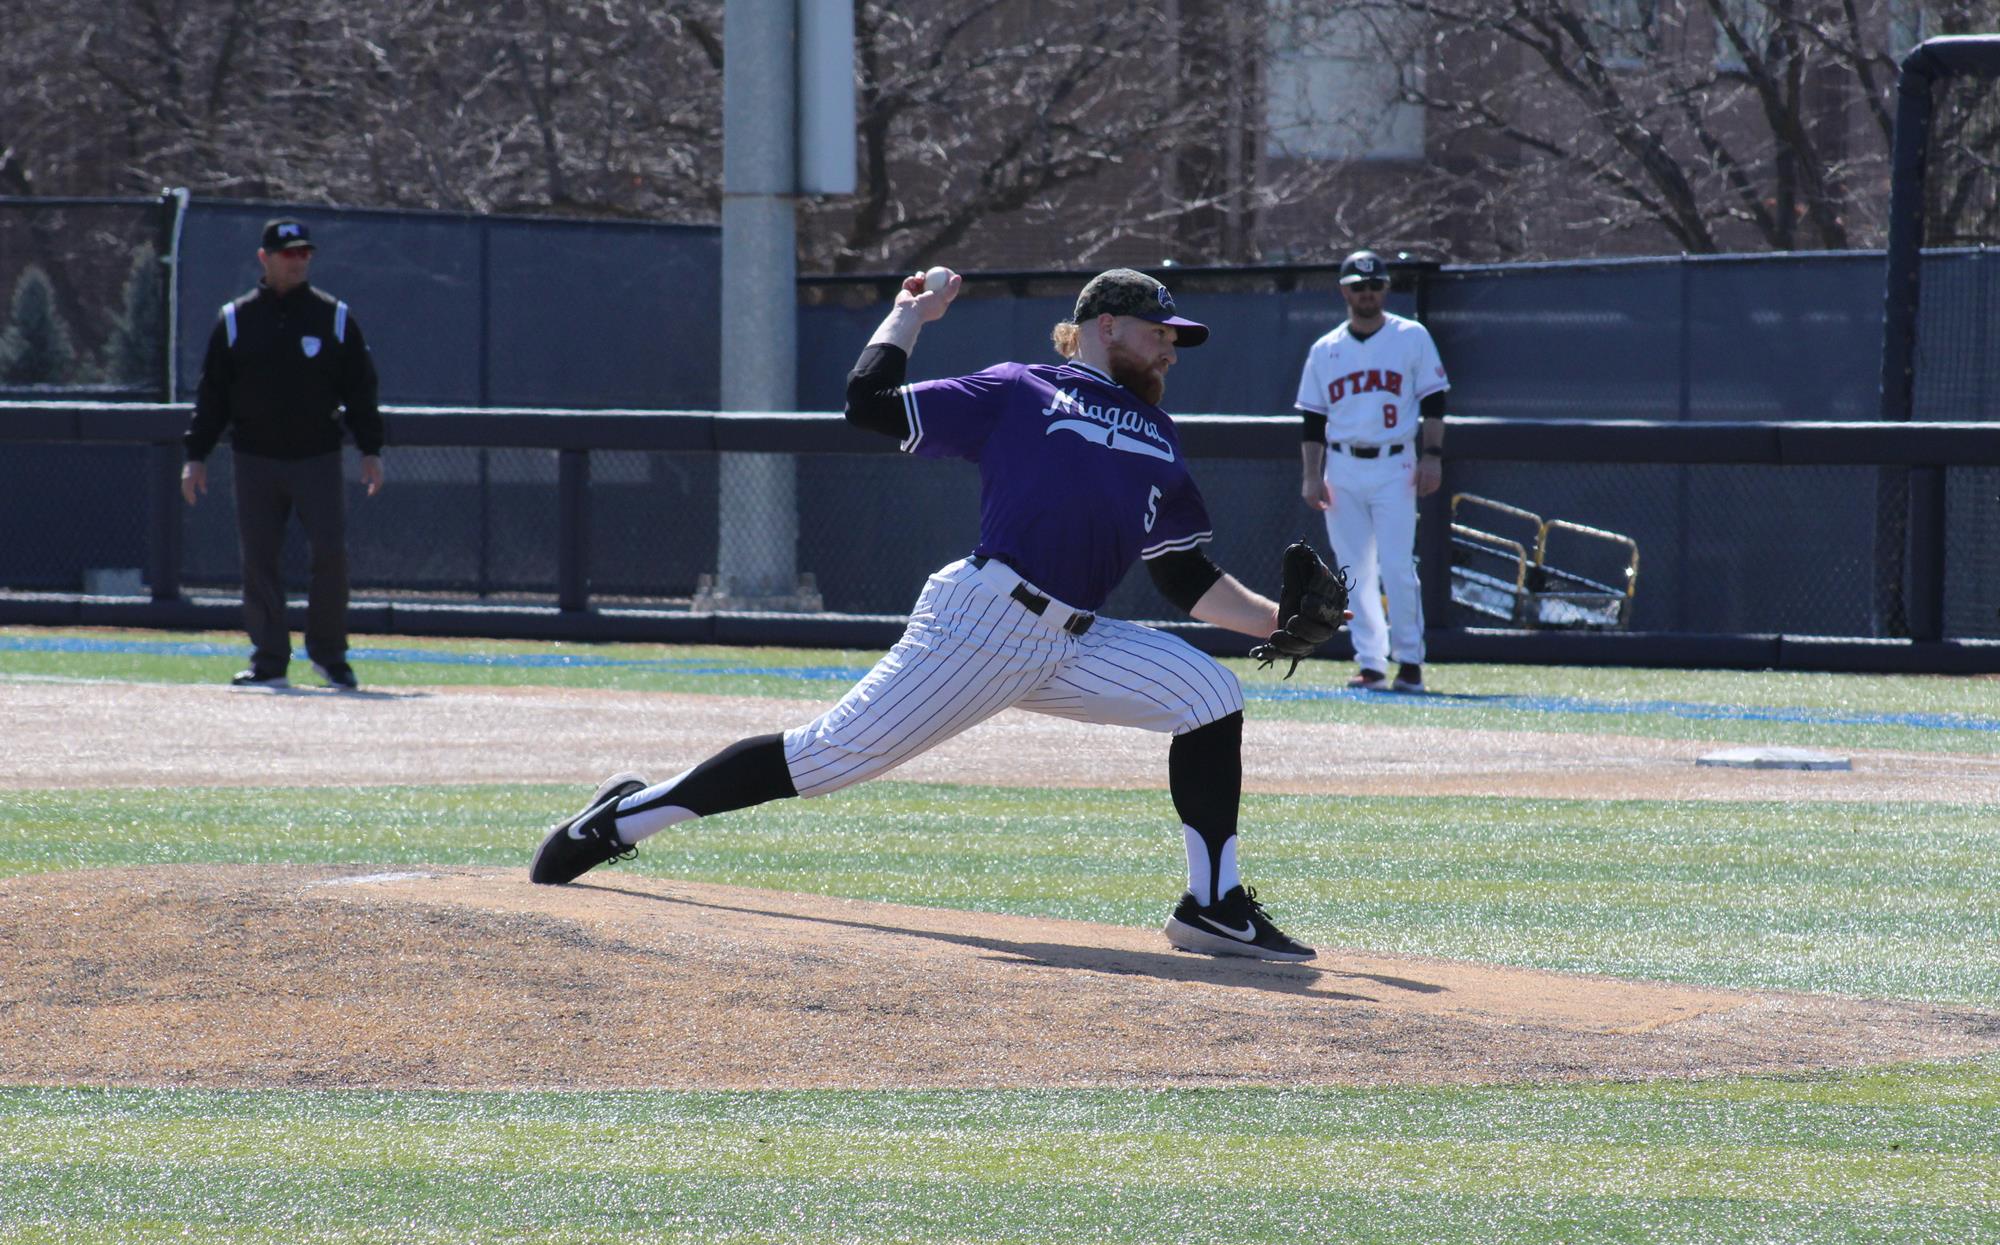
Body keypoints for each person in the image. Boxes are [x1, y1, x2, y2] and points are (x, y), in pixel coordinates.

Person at [531, 267, 1325, 963]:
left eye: (1176, 339)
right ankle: (621, 821)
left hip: (1076, 638)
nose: (1170, 351)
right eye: (1160, 332)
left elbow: (1184, 575)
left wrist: (1278, 620)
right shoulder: (1023, 388)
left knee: (1210, 695)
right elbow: (869, 404)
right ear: (1103, 327)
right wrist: (910, 314)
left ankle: (1211, 906)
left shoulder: (1158, 432)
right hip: (985, 623)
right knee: (823, 760)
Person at [181, 218, 385, 690]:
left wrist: (370, 448)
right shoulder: (235, 320)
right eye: (289, 253)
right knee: (260, 559)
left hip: (317, 456)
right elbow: (212, 394)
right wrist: (196, 455)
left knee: (330, 555)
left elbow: (360, 388)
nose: (299, 261)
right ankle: (269, 658)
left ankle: (330, 656)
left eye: (304, 253)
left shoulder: (333, 317)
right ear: (264, 258)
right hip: (255, 458)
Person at [1295, 249, 1449, 694]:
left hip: (1395, 462)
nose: (1367, 293)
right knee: (1353, 571)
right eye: (1358, 286)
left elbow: (1435, 400)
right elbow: (1312, 418)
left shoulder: (1411, 336)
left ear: (1385, 288)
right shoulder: (1327, 349)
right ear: (1345, 291)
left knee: (1399, 567)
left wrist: (1432, 454)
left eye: (1375, 285)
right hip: (1341, 465)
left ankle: (1411, 662)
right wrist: (1311, 474)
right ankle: (1371, 663)